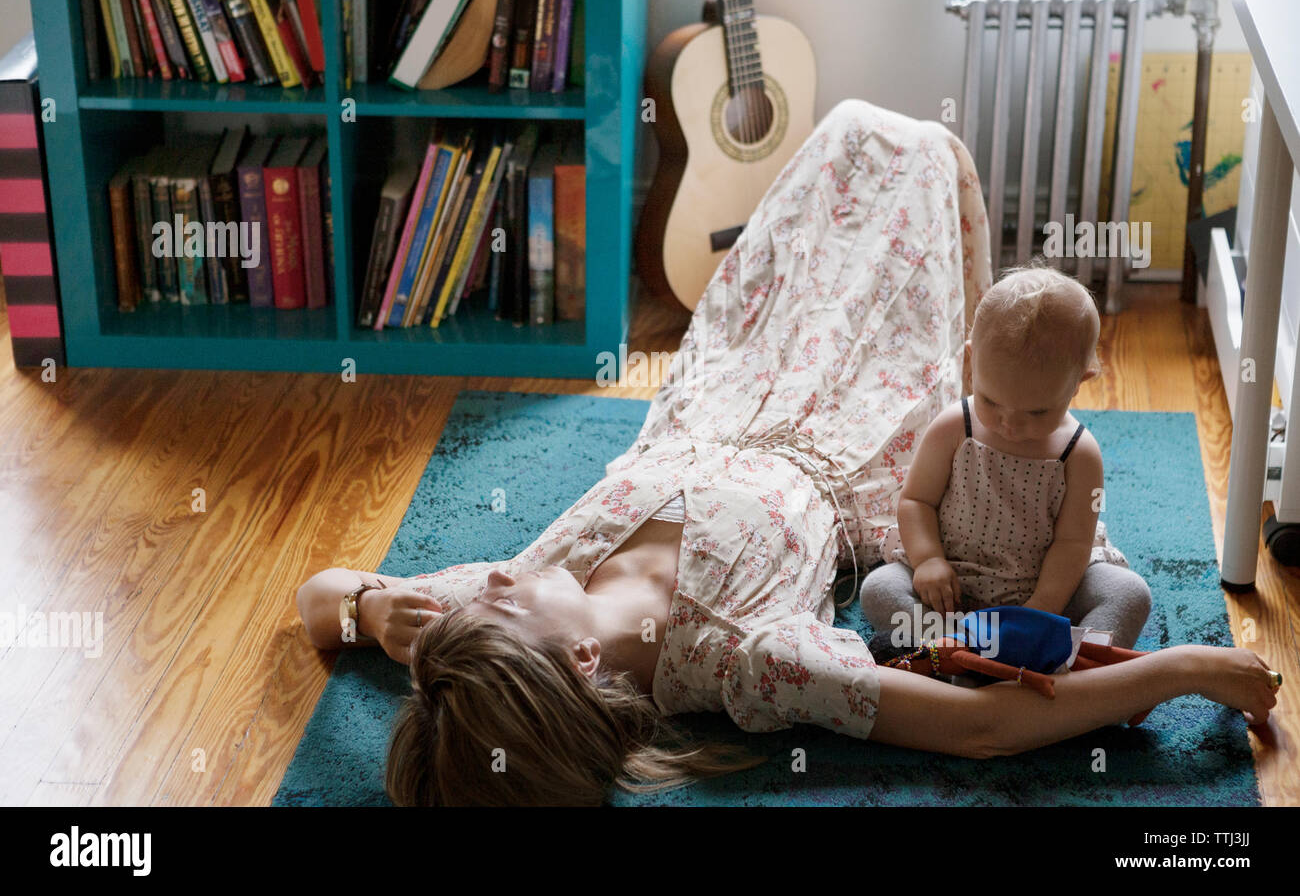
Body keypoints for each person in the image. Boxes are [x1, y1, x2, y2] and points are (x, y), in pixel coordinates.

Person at [296, 99, 1280, 806]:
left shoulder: (506, 612)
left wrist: (374, 607)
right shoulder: (751, 661)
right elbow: (984, 728)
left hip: (725, 392)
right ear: (585, 657)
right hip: (850, 440)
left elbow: (315, 596)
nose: (493, 580)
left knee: (855, 128)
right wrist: (1183, 667)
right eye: (501, 600)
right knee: (920, 152)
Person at [860, 264, 1152, 650]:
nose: (1009, 424)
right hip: (954, 578)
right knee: (879, 588)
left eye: (1036, 412)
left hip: (1046, 589)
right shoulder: (953, 428)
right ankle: (957, 654)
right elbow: (916, 501)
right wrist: (929, 560)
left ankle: (1072, 668)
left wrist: (1040, 610)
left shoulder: (1080, 455)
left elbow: (1072, 544)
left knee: (1130, 594)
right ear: (971, 365)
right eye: (991, 401)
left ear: (1081, 381)